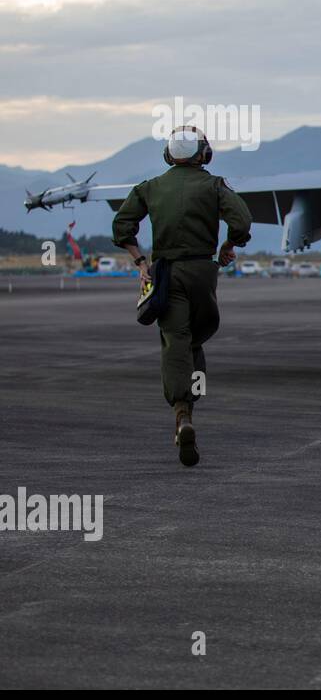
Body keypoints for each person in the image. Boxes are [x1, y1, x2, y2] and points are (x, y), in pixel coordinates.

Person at [112, 126, 252, 466]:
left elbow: (122, 226)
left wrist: (141, 261)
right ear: (203, 154)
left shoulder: (150, 187)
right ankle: (191, 403)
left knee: (176, 338)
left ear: (169, 155)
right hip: (204, 273)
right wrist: (229, 246)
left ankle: (182, 413)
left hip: (167, 273)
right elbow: (242, 221)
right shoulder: (215, 185)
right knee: (196, 338)